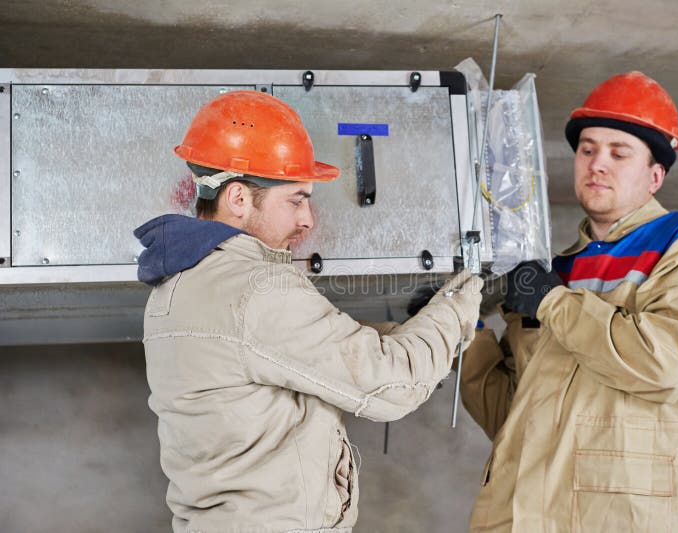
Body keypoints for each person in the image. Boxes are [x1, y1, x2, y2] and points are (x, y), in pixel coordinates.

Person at [134, 90, 483, 533]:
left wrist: (408, 328)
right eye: (296, 200)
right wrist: (461, 300)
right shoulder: (256, 289)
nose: (308, 221)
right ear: (239, 198)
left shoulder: (175, 286)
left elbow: (291, 351)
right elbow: (395, 385)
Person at [460, 71, 678, 532]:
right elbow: (516, 417)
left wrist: (553, 304)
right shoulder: (556, 272)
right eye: (587, 150)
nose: (597, 163)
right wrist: (467, 337)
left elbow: (663, 362)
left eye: (618, 152)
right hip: (522, 516)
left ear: (654, 176)